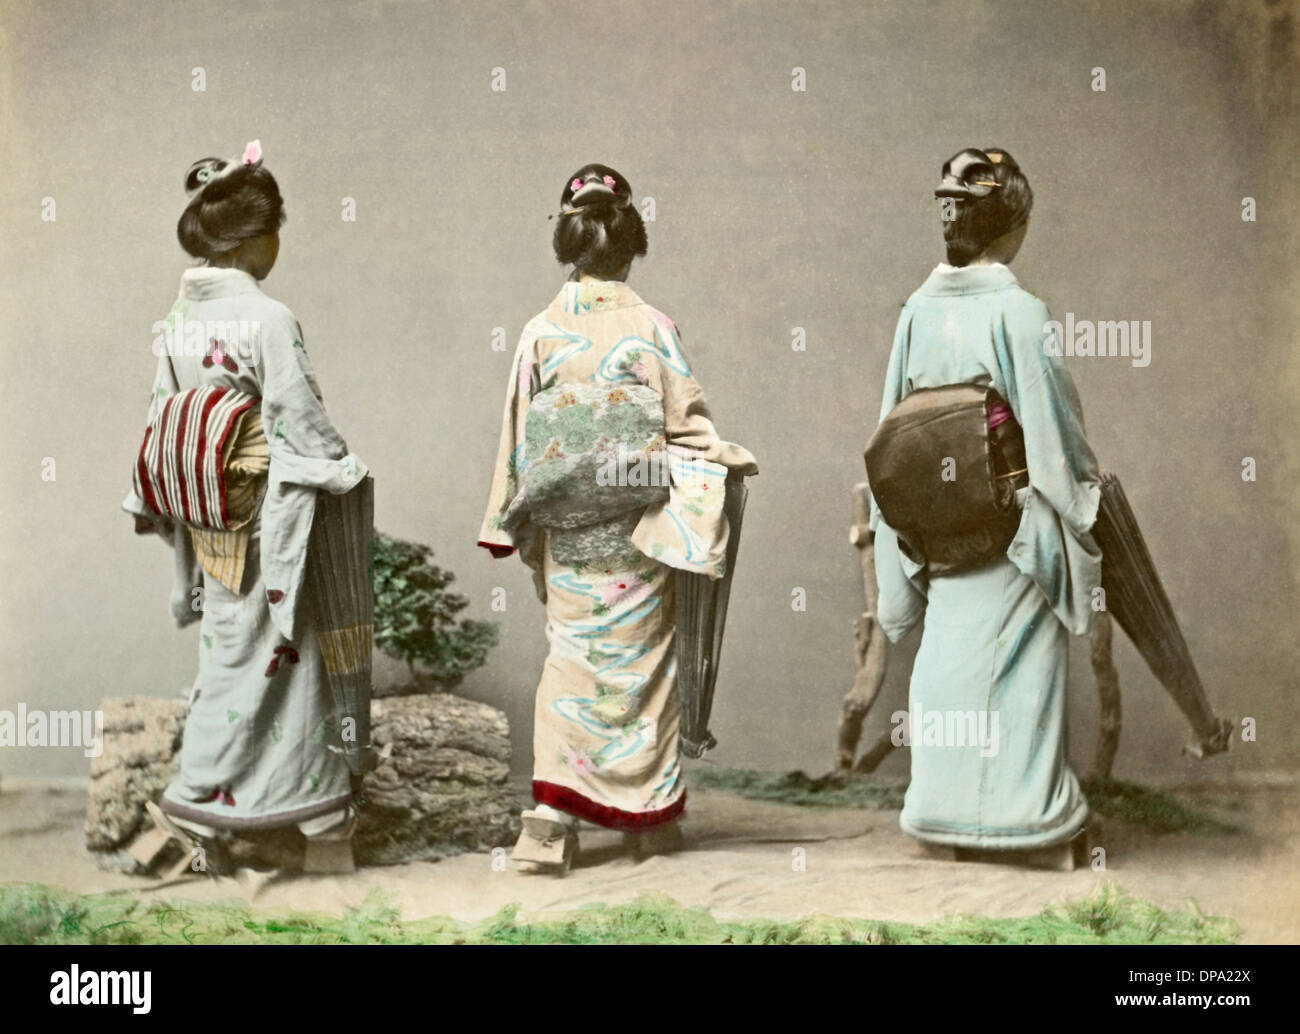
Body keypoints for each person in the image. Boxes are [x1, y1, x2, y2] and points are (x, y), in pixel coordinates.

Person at [478, 164, 757, 874]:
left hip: (569, 532)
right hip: (639, 528)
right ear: (631, 243)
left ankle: (547, 824)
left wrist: (506, 520)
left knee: (571, 662)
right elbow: (686, 427)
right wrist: (727, 461)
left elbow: (516, 437)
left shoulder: (541, 331)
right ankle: (646, 825)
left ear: (568, 244)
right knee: (644, 670)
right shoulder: (652, 328)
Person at [124, 141, 368, 873]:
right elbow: (299, 422)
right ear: (256, 237)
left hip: (206, 513)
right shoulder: (268, 318)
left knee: (233, 655)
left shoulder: (173, 323)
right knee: (294, 659)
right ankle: (301, 815)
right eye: (276, 229)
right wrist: (348, 470)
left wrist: (180, 566)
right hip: (271, 511)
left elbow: (163, 439)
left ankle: (223, 810)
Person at [871, 148, 1102, 861]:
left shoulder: (917, 311)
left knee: (945, 669)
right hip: (1011, 526)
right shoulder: (1021, 315)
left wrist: (904, 529)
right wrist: (1083, 504)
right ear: (1015, 224)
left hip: (940, 531)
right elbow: (1056, 436)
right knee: (1018, 675)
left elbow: (890, 432)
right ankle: (1028, 823)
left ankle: (942, 818)